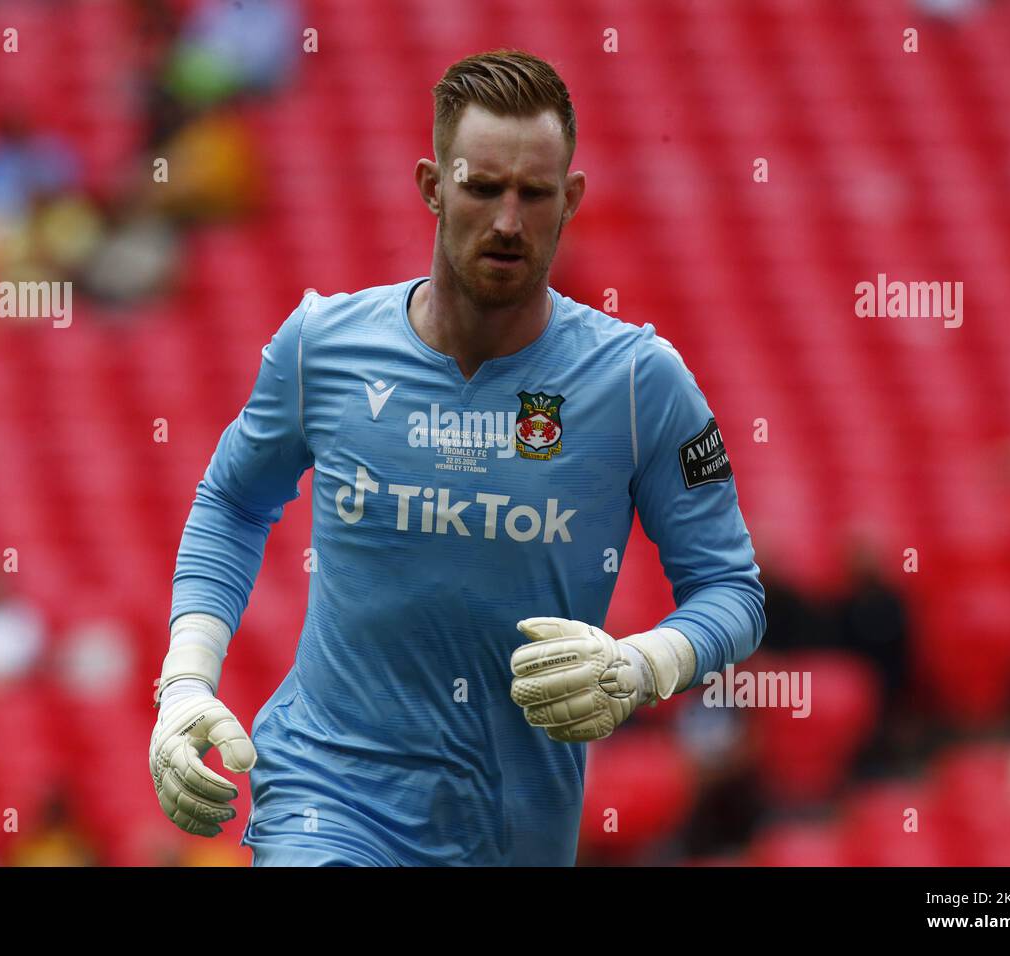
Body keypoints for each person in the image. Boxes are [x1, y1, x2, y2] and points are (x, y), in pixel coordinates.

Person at [149, 49, 765, 866]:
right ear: (433, 186)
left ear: (570, 201)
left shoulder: (637, 384)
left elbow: (731, 590)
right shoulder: (323, 349)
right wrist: (187, 679)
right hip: (326, 797)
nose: (508, 221)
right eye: (482, 188)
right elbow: (231, 501)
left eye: (534, 194)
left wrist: (641, 664)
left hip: (514, 832)